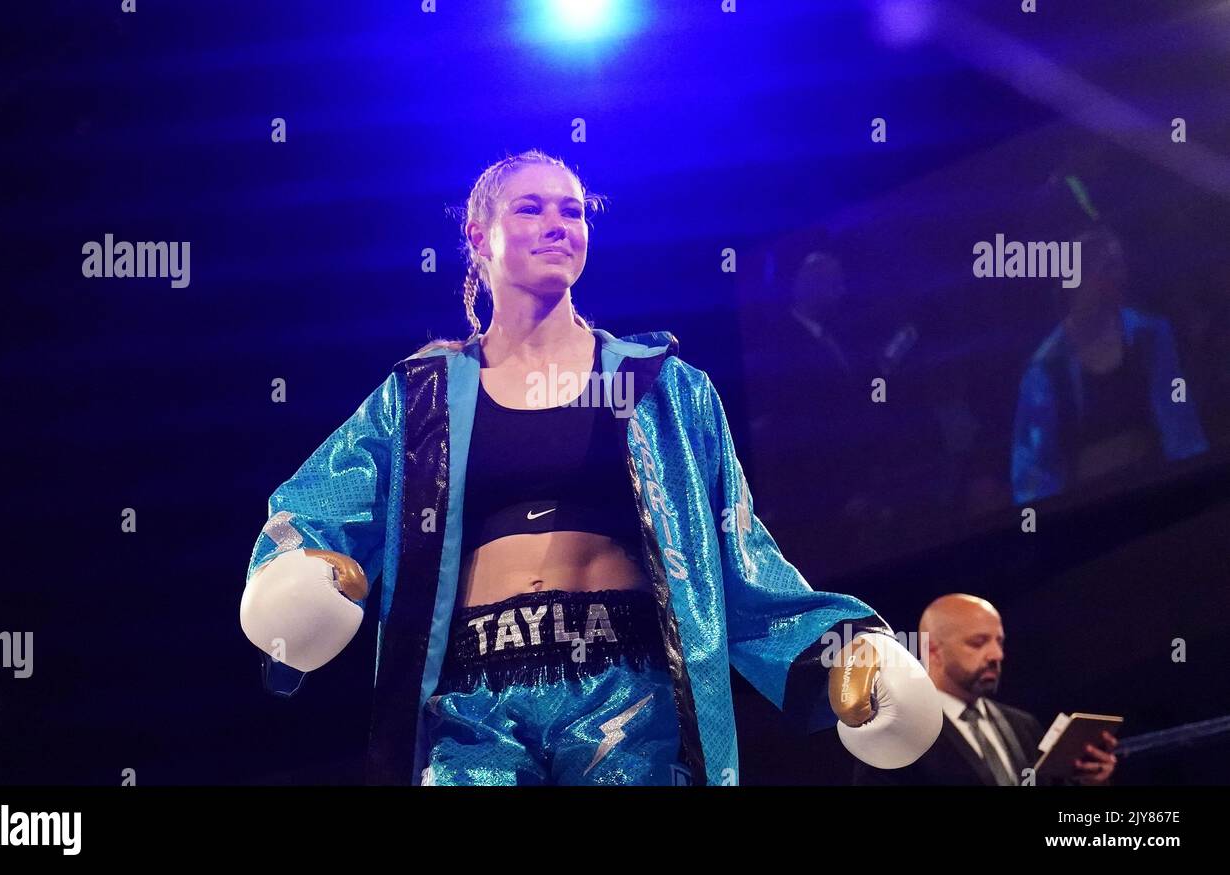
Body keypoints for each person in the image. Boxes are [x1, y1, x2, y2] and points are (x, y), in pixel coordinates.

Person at [238, 149, 942, 785]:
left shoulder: (665, 387)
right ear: (479, 237)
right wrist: (294, 573)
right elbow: (319, 509)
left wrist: (842, 650)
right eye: (531, 207)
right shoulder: (418, 398)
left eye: (572, 210)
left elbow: (740, 554)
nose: (558, 223)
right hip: (468, 701)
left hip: (632, 692)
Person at [1012, 227, 1208, 503]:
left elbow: (1179, 421)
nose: (1118, 277)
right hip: (1088, 510)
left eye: (1118, 266)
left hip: (1157, 490)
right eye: (1104, 268)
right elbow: (1034, 471)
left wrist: (1196, 487)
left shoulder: (1151, 335)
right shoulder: (1044, 369)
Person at [854, 594, 1118, 786]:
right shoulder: (897, 732)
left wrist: (1093, 781)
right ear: (933, 650)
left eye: (999, 641)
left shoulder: (1023, 725)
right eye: (978, 643)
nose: (996, 654)